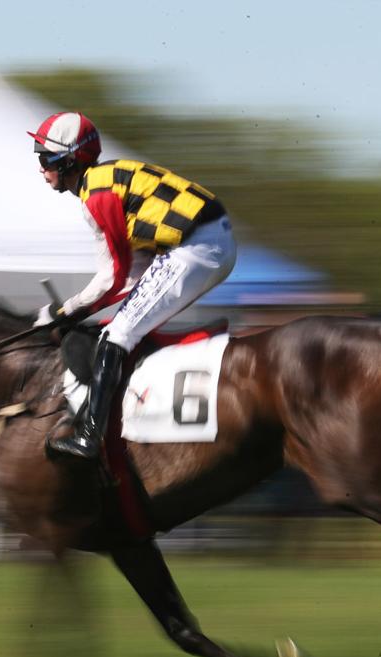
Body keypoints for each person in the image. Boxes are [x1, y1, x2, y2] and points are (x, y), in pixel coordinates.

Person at [28, 111, 238, 460]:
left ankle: (90, 438)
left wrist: (64, 311)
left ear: (68, 160)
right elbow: (131, 274)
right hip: (206, 240)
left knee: (117, 334)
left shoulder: (97, 196)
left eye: (45, 159)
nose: (41, 168)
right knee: (121, 325)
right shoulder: (106, 179)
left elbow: (112, 277)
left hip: (198, 247)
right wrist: (76, 311)